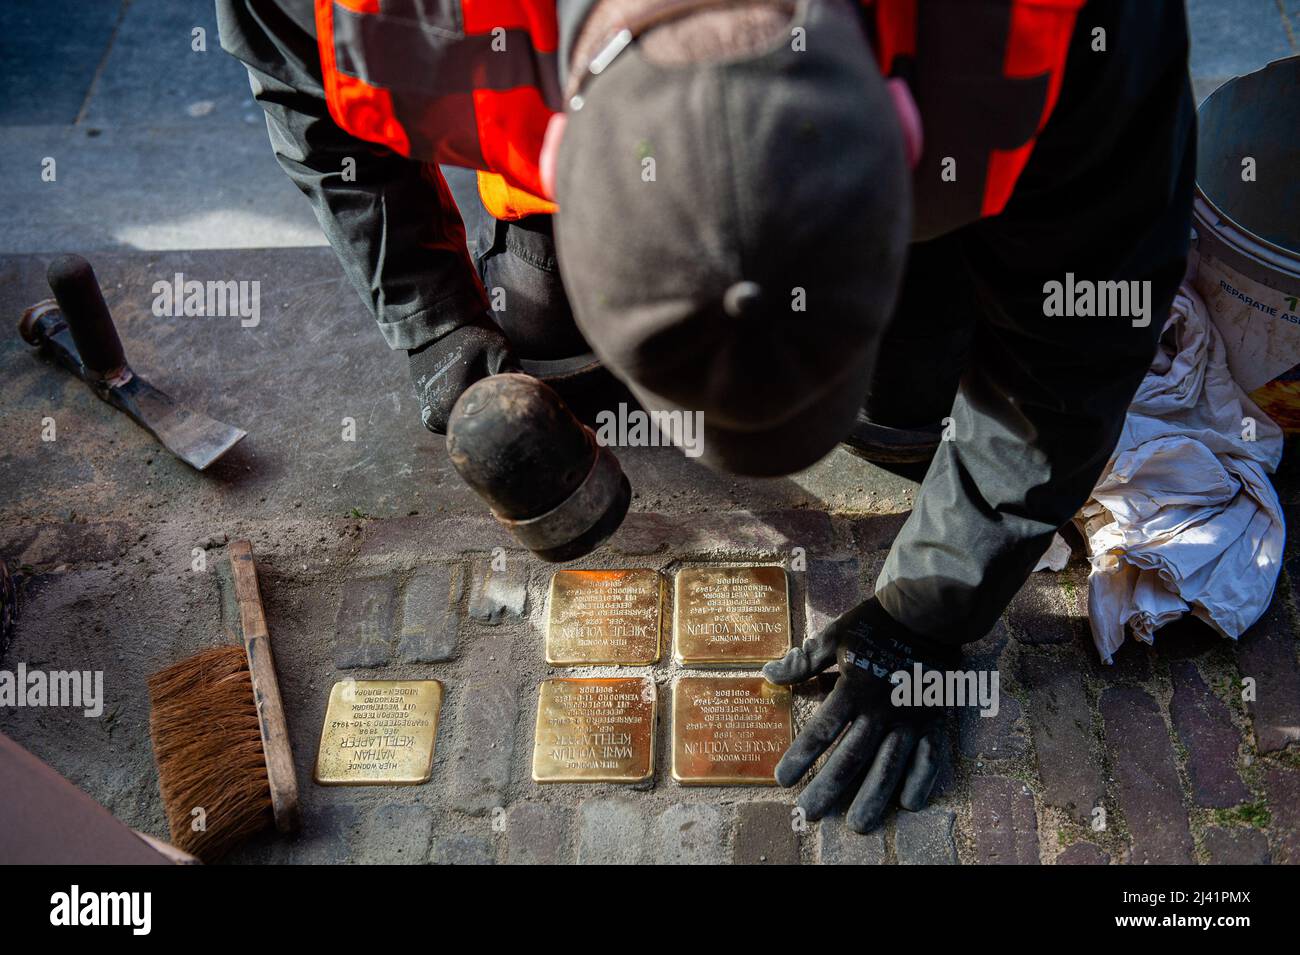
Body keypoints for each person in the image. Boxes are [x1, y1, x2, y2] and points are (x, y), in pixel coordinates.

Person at [217, 0, 1195, 832]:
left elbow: (1080, 327)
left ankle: (896, 368)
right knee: (537, 331)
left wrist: (932, 611)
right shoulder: (391, 14)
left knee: (916, 410)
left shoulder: (1061, 23)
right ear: (558, 146)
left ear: (904, 131)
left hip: (930, 174)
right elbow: (319, 108)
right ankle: (563, 293)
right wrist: (441, 339)